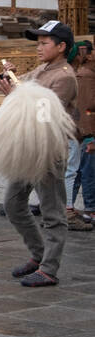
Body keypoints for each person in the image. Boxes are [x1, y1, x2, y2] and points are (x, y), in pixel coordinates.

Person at [0, 20, 80, 284]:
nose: (39, 47)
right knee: (12, 204)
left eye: (45, 43)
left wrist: (16, 96)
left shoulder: (65, 77)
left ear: (61, 46)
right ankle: (38, 255)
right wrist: (9, 78)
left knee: (53, 212)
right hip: (30, 148)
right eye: (39, 42)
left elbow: (43, 116)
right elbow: (22, 91)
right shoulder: (43, 69)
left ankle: (49, 269)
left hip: (49, 150)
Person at [73, 40, 95, 221]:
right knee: (86, 170)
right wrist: (89, 136)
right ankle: (89, 207)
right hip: (88, 132)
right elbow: (85, 107)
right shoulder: (85, 75)